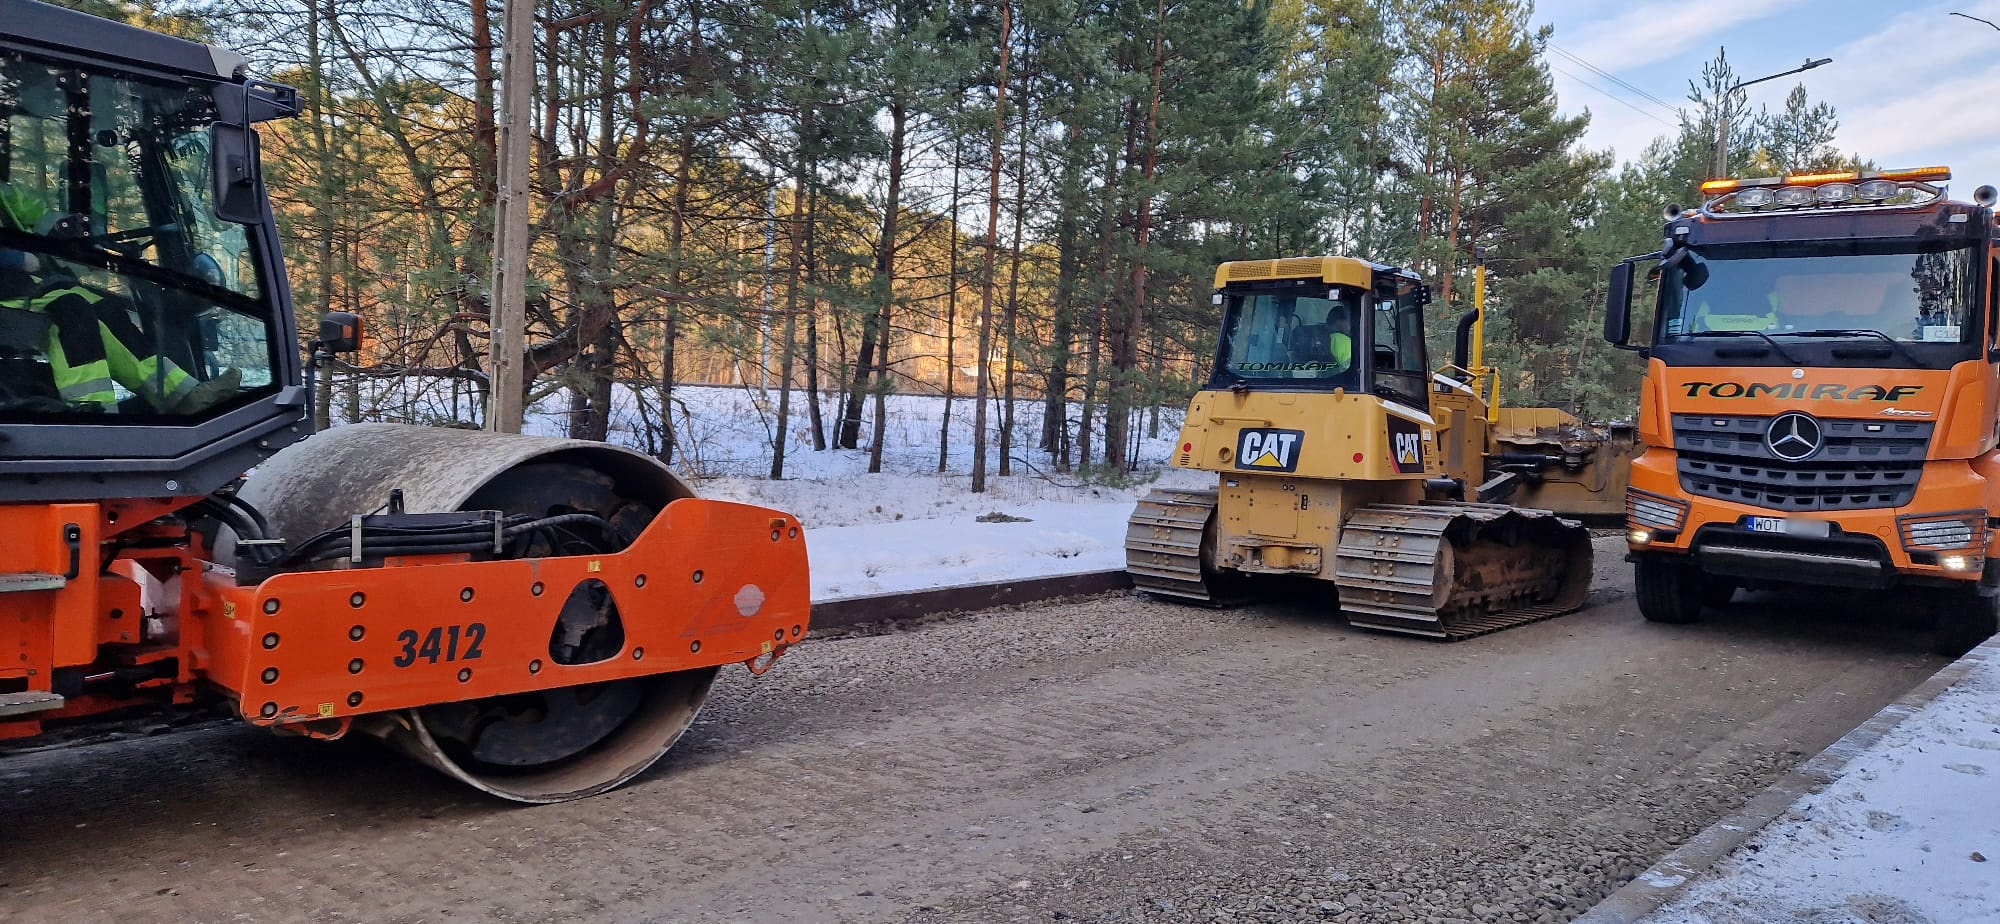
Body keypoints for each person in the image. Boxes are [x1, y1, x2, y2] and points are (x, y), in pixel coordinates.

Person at [0, 183, 237, 414]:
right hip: (9, 287)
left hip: (21, 286)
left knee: (105, 307)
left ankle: (181, 396)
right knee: (72, 310)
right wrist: (16, 258)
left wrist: (59, 228)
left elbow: (34, 212)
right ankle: (90, 412)